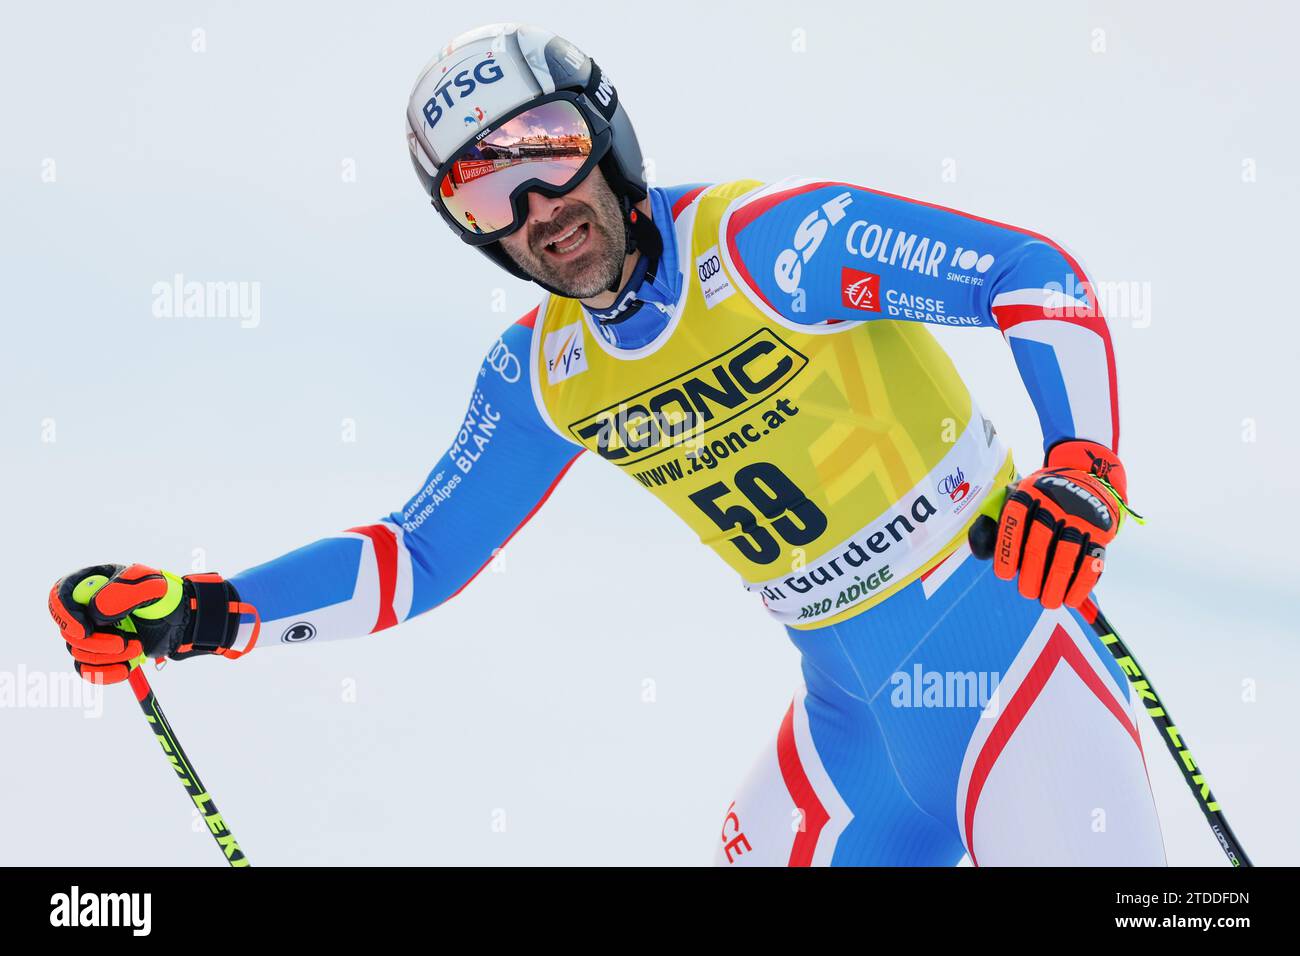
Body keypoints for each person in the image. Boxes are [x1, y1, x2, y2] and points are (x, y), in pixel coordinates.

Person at [48, 22, 1164, 866]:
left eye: (547, 147)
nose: (534, 201)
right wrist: (206, 610)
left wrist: (1079, 465)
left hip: (1017, 676)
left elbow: (1034, 280)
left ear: (608, 135)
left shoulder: (775, 242)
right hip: (851, 735)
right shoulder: (542, 370)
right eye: (483, 189)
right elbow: (418, 556)